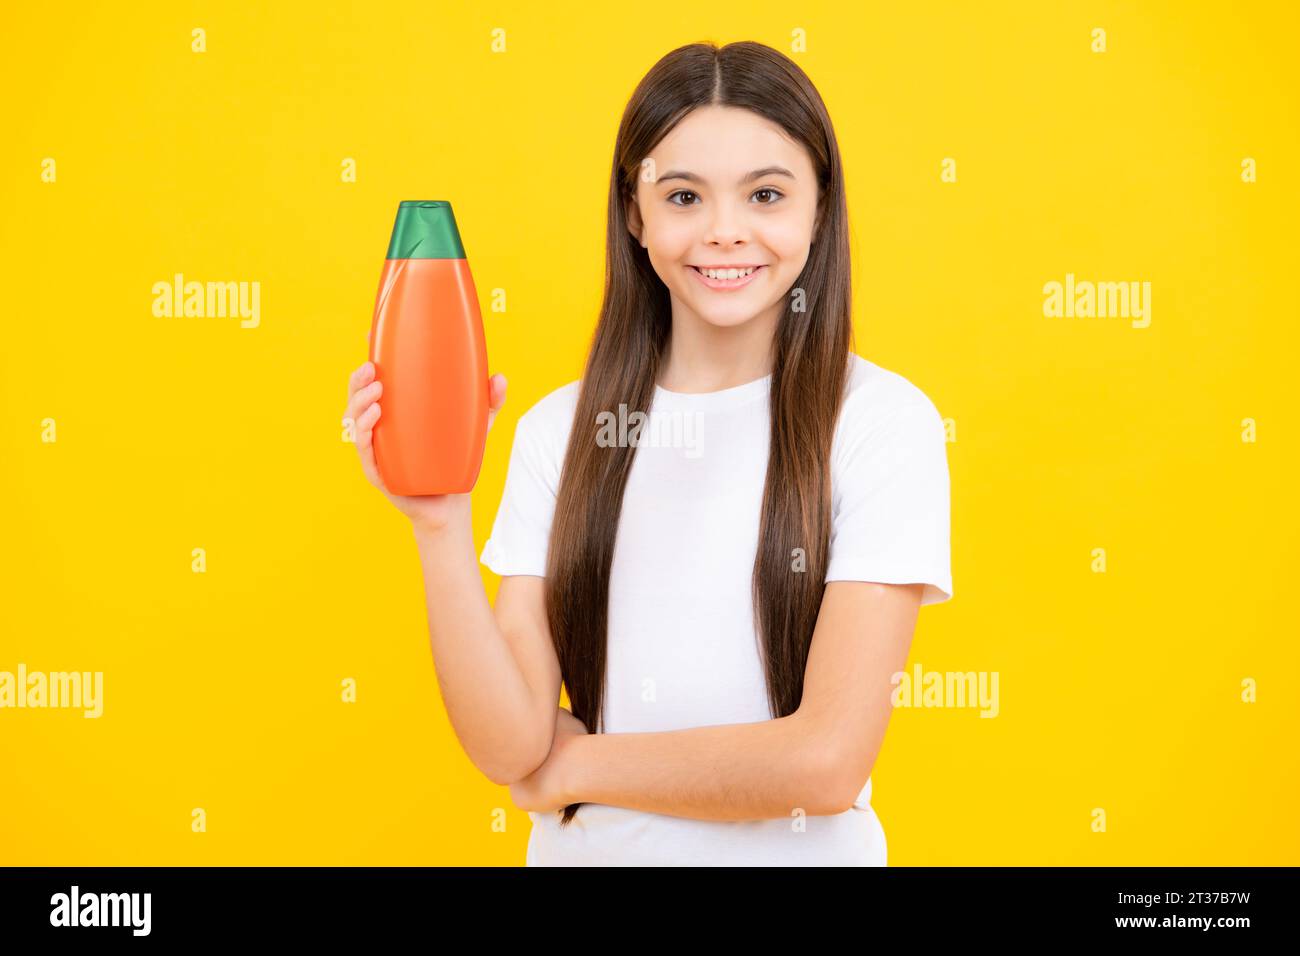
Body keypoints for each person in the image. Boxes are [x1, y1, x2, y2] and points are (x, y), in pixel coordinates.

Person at [343, 40, 953, 866]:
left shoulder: (880, 423)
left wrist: (573, 768)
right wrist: (440, 524)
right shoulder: (559, 431)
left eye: (766, 194)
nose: (725, 232)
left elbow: (825, 762)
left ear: (819, 209)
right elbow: (506, 743)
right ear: (636, 213)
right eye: (684, 196)